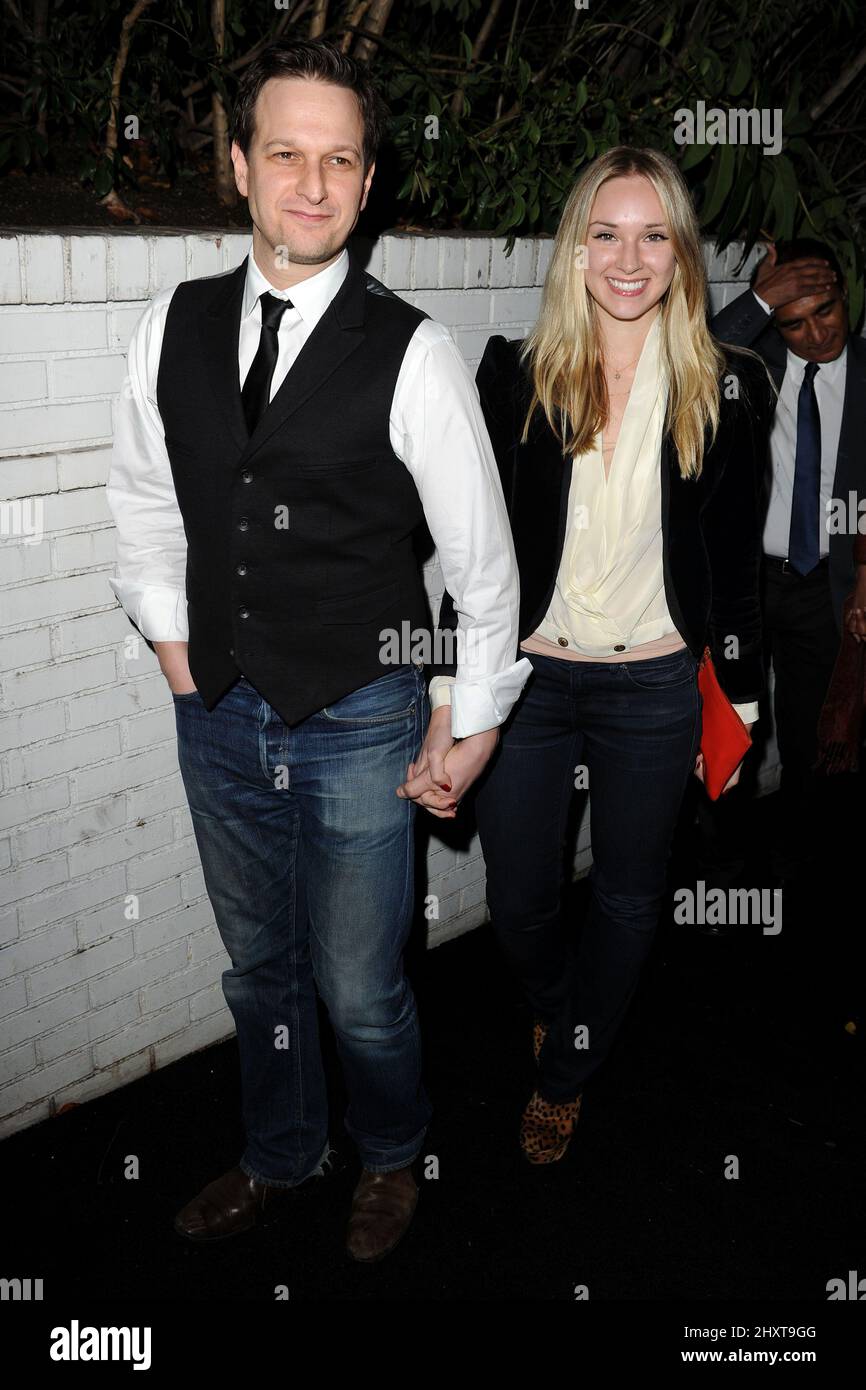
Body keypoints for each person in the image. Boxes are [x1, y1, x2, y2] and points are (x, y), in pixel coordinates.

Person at [106, 38, 530, 1261]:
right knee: (259, 970)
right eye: (284, 153)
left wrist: (472, 710)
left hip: (359, 710)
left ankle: (393, 1154)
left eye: (337, 158)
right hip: (217, 703)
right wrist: (177, 650)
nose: (310, 181)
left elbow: (481, 562)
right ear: (238, 166)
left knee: (359, 984)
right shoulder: (168, 325)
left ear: (366, 178)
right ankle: (284, 1151)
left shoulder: (413, 350)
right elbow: (143, 499)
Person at [401, 146, 776, 1163]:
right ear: (573, 251)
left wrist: (738, 704)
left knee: (623, 894)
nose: (627, 256)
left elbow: (732, 566)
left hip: (655, 684)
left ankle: (564, 1067)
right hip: (529, 681)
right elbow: (469, 563)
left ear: (681, 255)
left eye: (652, 234)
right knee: (520, 899)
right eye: (604, 233)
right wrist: (447, 698)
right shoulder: (514, 376)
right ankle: (567, 1008)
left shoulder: (726, 388)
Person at [709, 239, 866, 891]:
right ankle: (718, 866)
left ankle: (802, 865)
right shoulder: (756, 361)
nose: (813, 334)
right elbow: (693, 356)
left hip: (823, 582)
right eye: (793, 323)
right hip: (742, 582)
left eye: (825, 312)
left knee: (814, 738)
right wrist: (758, 300)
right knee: (729, 729)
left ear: (844, 297)